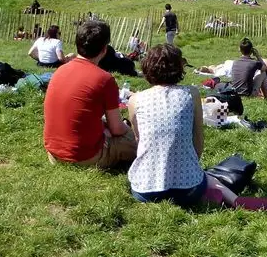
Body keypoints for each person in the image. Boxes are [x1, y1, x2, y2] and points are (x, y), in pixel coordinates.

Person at [126, 44, 242, 208]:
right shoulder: (191, 93)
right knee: (209, 178)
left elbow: (139, 140)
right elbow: (198, 137)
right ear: (179, 67)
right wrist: (188, 166)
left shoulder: (135, 100)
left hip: (144, 190)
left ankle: (217, 198)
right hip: (188, 190)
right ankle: (235, 201)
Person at [43, 20, 135, 169]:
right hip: (84, 157)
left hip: (54, 154)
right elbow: (117, 129)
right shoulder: (104, 79)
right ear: (105, 49)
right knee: (133, 138)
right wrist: (127, 129)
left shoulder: (60, 71)